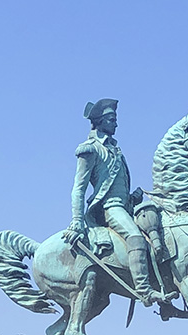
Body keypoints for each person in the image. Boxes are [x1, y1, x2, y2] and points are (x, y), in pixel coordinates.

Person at [62, 98, 168, 307]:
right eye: (111, 119)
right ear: (100, 122)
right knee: (136, 237)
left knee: (158, 231)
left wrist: (132, 196)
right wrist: (76, 220)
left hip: (125, 205)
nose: (116, 124)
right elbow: (79, 188)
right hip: (110, 208)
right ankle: (145, 291)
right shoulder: (90, 149)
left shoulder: (115, 149)